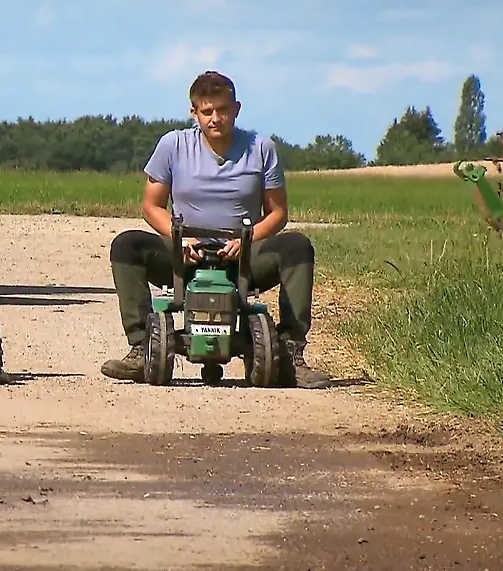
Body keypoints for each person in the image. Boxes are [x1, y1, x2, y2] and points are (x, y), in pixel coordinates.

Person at [99, 70, 333, 389]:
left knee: (296, 246)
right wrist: (179, 238)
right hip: (187, 255)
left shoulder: (261, 148)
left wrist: (247, 239)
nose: (215, 119)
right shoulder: (173, 144)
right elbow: (151, 206)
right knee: (127, 245)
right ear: (194, 113)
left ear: (236, 109)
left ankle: (291, 354)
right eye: (207, 111)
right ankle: (142, 349)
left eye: (222, 110)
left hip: (242, 256)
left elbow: (278, 213)